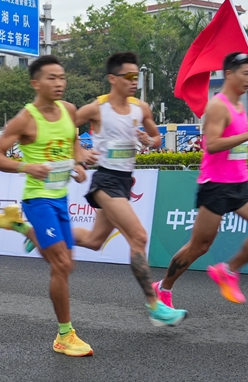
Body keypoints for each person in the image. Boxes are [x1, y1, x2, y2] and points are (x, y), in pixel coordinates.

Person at [0, 55, 95, 357]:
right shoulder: (25, 118)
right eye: (52, 78)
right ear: (36, 83)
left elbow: (72, 141)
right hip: (38, 199)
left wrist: (78, 160)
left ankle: (18, 225)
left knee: (63, 264)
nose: (59, 83)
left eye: (62, 77)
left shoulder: (69, 110)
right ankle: (64, 335)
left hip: (60, 198)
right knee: (61, 264)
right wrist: (25, 167)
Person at [70, 52, 187, 326]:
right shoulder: (96, 109)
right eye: (130, 77)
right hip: (105, 180)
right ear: (113, 78)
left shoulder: (141, 108)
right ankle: (154, 305)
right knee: (138, 236)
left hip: (124, 181)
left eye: (138, 76)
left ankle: (45, 230)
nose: (135, 81)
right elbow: (64, 128)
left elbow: (158, 138)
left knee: (94, 241)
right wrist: (79, 153)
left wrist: (151, 140)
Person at [158, 53, 248, 306]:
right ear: (229, 74)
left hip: (241, 184)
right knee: (199, 246)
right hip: (215, 186)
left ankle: (228, 270)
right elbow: (212, 145)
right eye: (245, 74)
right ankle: (163, 288)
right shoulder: (218, 105)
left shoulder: (239, 105)